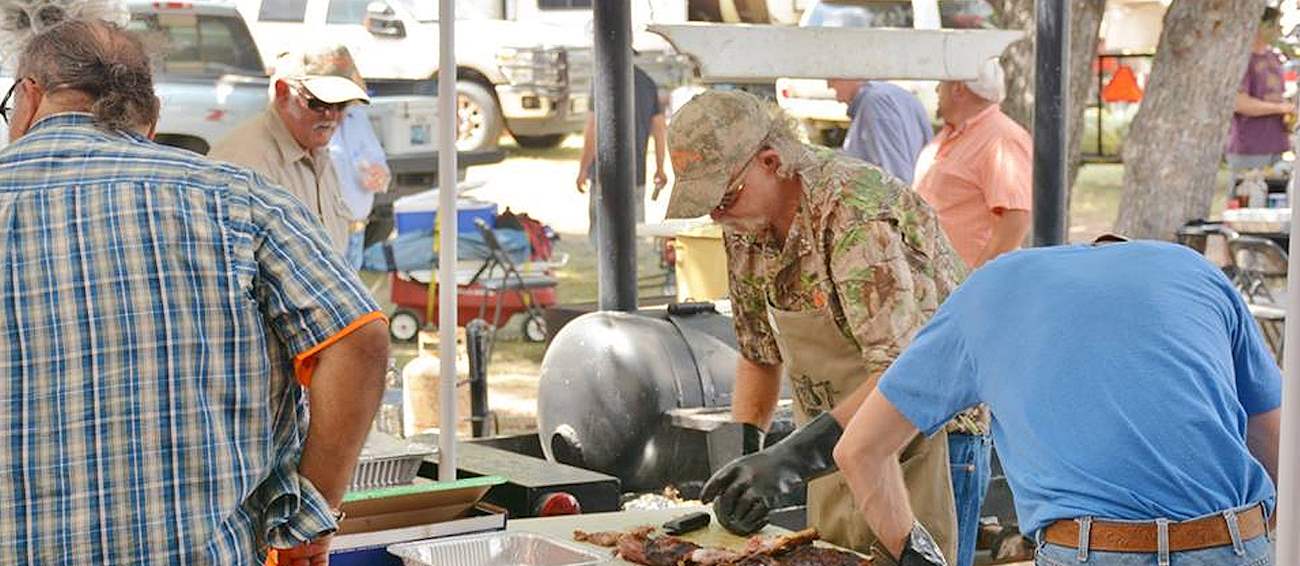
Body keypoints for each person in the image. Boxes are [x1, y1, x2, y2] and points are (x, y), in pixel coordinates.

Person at [0, 20, 388, 563]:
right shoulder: (237, 197)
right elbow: (358, 339)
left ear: (30, 96)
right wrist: (308, 521)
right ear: (150, 115)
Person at [834, 237, 1281, 566]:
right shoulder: (1194, 270)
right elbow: (1273, 432)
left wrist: (917, 557)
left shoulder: (988, 291)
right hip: (1230, 541)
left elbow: (858, 450)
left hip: (1091, 551)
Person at [665, 90, 965, 562]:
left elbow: (906, 373)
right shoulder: (746, 228)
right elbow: (758, 353)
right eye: (710, 205)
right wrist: (744, 461)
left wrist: (789, 460)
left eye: (725, 196)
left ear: (770, 161)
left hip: (931, 439)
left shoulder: (853, 212)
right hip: (834, 446)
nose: (719, 215)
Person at [909, 54, 1032, 566]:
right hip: (938, 303)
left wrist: (968, 288)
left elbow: (1015, 220)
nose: (935, 91)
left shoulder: (999, 137)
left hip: (967, 306)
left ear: (959, 85)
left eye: (941, 81)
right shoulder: (954, 135)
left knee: (963, 426)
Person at [210, 44, 372, 257]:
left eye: (342, 105)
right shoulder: (243, 163)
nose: (332, 116)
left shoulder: (316, 151)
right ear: (283, 92)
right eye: (320, 103)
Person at [575, 64, 667, 244]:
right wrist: (660, 167)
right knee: (633, 236)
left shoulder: (602, 78)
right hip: (636, 173)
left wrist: (583, 168)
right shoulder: (647, 82)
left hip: (605, 172)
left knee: (602, 237)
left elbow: (592, 127)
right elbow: (659, 128)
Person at [322, 46, 391, 269]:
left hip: (357, 231)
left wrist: (380, 173)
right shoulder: (315, 124)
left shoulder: (356, 116)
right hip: (329, 236)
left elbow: (378, 160)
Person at [1227, 7, 1291, 198]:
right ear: (1260, 26)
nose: (1278, 30)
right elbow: (1238, 103)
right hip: (1250, 148)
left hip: (1277, 145)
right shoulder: (1243, 59)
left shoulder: (1274, 57)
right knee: (1246, 201)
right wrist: (1279, 108)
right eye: (1274, 25)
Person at [826, 79, 933, 184]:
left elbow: (894, 176)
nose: (838, 99)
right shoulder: (898, 94)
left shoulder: (876, 102)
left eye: (834, 87)